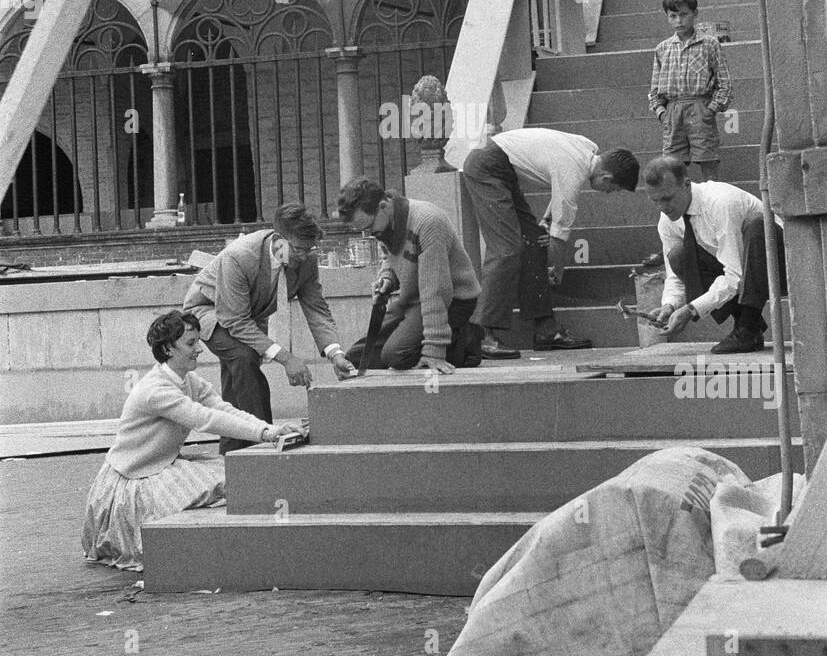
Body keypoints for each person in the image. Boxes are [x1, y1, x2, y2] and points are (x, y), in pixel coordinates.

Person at [82, 311, 299, 571]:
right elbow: (205, 419)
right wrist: (266, 434)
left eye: (198, 341)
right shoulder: (156, 390)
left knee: (234, 477)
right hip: (136, 477)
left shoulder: (188, 380)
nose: (199, 349)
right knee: (227, 483)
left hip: (163, 465)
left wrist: (268, 428)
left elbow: (222, 409)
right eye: (191, 343)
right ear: (167, 348)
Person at [182, 202, 354, 453]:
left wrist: (335, 353)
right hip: (208, 311)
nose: (305, 256)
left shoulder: (305, 257)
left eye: (310, 249)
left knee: (236, 381)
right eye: (299, 249)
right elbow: (235, 320)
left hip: (245, 316)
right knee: (243, 357)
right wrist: (286, 358)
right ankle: (266, 440)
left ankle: (230, 453)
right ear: (278, 240)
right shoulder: (240, 257)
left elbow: (316, 307)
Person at [460, 129, 640, 359]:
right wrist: (557, 268)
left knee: (534, 241)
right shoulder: (573, 171)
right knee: (507, 250)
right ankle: (483, 336)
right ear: (606, 178)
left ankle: (546, 331)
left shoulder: (587, 147)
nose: (609, 193)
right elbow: (559, 236)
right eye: (613, 190)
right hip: (486, 165)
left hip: (502, 168)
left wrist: (545, 222)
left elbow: (557, 203)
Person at [643, 155, 787, 354]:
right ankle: (745, 325)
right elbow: (675, 274)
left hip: (782, 267)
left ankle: (748, 326)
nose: (662, 207)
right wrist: (669, 305)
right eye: (655, 200)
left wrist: (691, 309)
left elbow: (734, 275)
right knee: (677, 255)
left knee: (757, 225)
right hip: (741, 270)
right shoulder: (667, 220)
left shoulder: (720, 202)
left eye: (667, 198)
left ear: (687, 184)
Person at [337, 178, 482, 374]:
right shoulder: (386, 221)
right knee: (355, 358)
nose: (369, 234)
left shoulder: (428, 222)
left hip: (453, 301)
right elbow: (392, 257)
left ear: (383, 206)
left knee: (394, 356)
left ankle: (464, 341)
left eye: (368, 227)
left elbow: (436, 290)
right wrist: (387, 277)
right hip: (415, 299)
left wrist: (434, 349)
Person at [648, 0, 732, 182]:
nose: (679, 20)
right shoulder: (662, 49)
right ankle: (680, 210)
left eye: (684, 14)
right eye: (673, 16)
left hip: (700, 107)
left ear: (695, 14)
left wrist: (711, 109)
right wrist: (661, 112)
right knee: (672, 168)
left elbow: (725, 81)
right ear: (667, 17)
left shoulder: (710, 44)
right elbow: (654, 89)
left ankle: (712, 206)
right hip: (673, 110)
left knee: (708, 162)